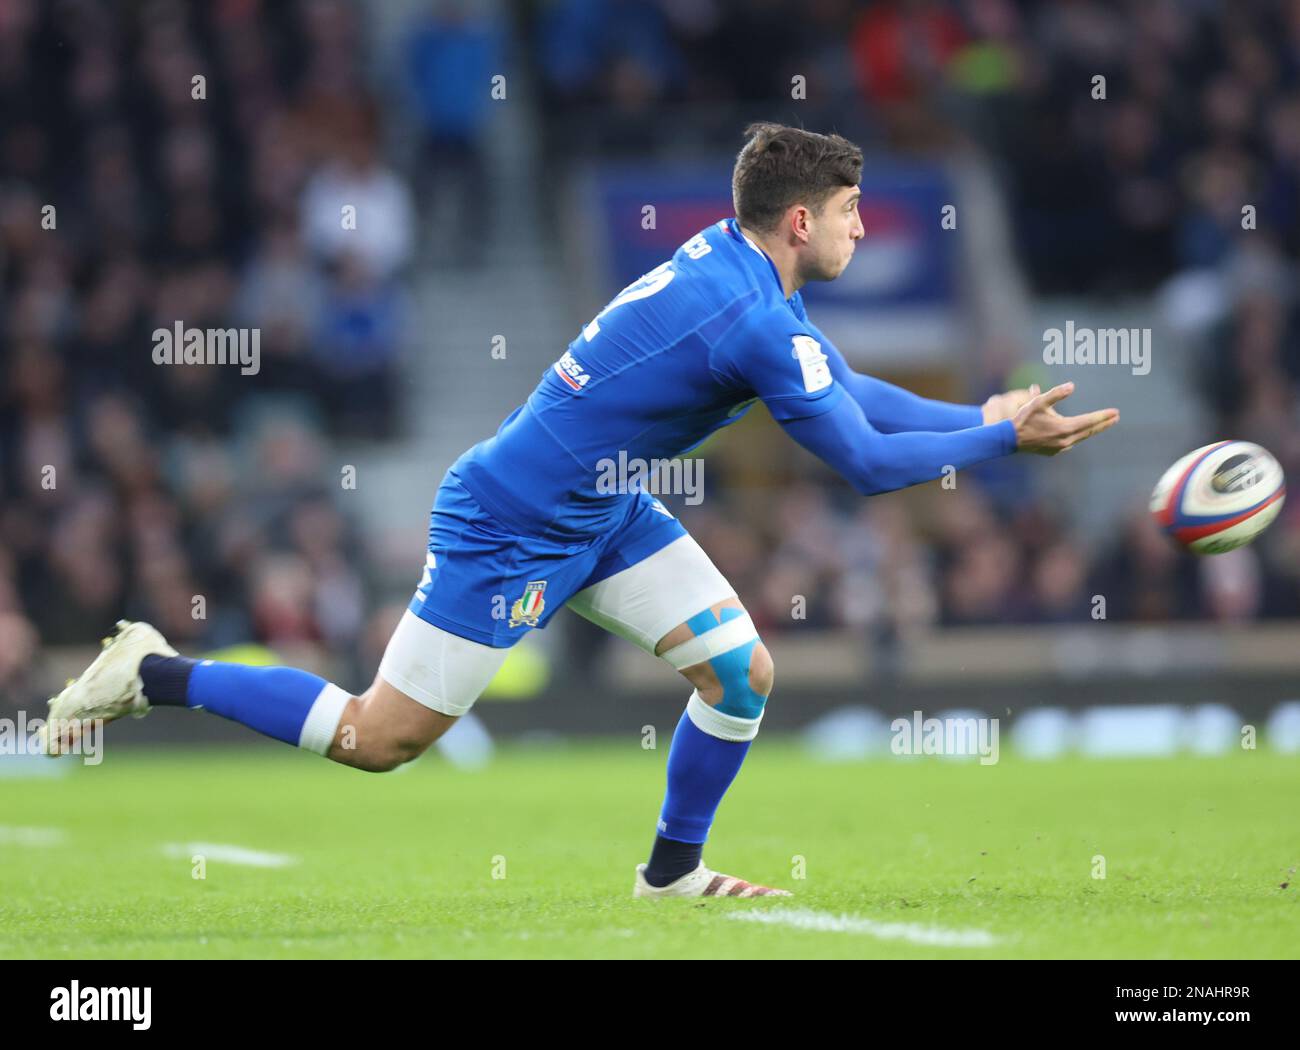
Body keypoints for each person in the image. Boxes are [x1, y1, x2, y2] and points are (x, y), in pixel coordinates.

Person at [40, 123, 1118, 898]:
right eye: (848, 214)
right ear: (801, 219)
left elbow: (844, 385)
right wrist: (999, 443)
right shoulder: (750, 319)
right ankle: (155, 672)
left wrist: (981, 410)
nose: (859, 230)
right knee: (377, 739)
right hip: (510, 522)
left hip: (603, 510)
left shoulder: (742, 270)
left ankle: (671, 875)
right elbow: (868, 463)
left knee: (740, 671)